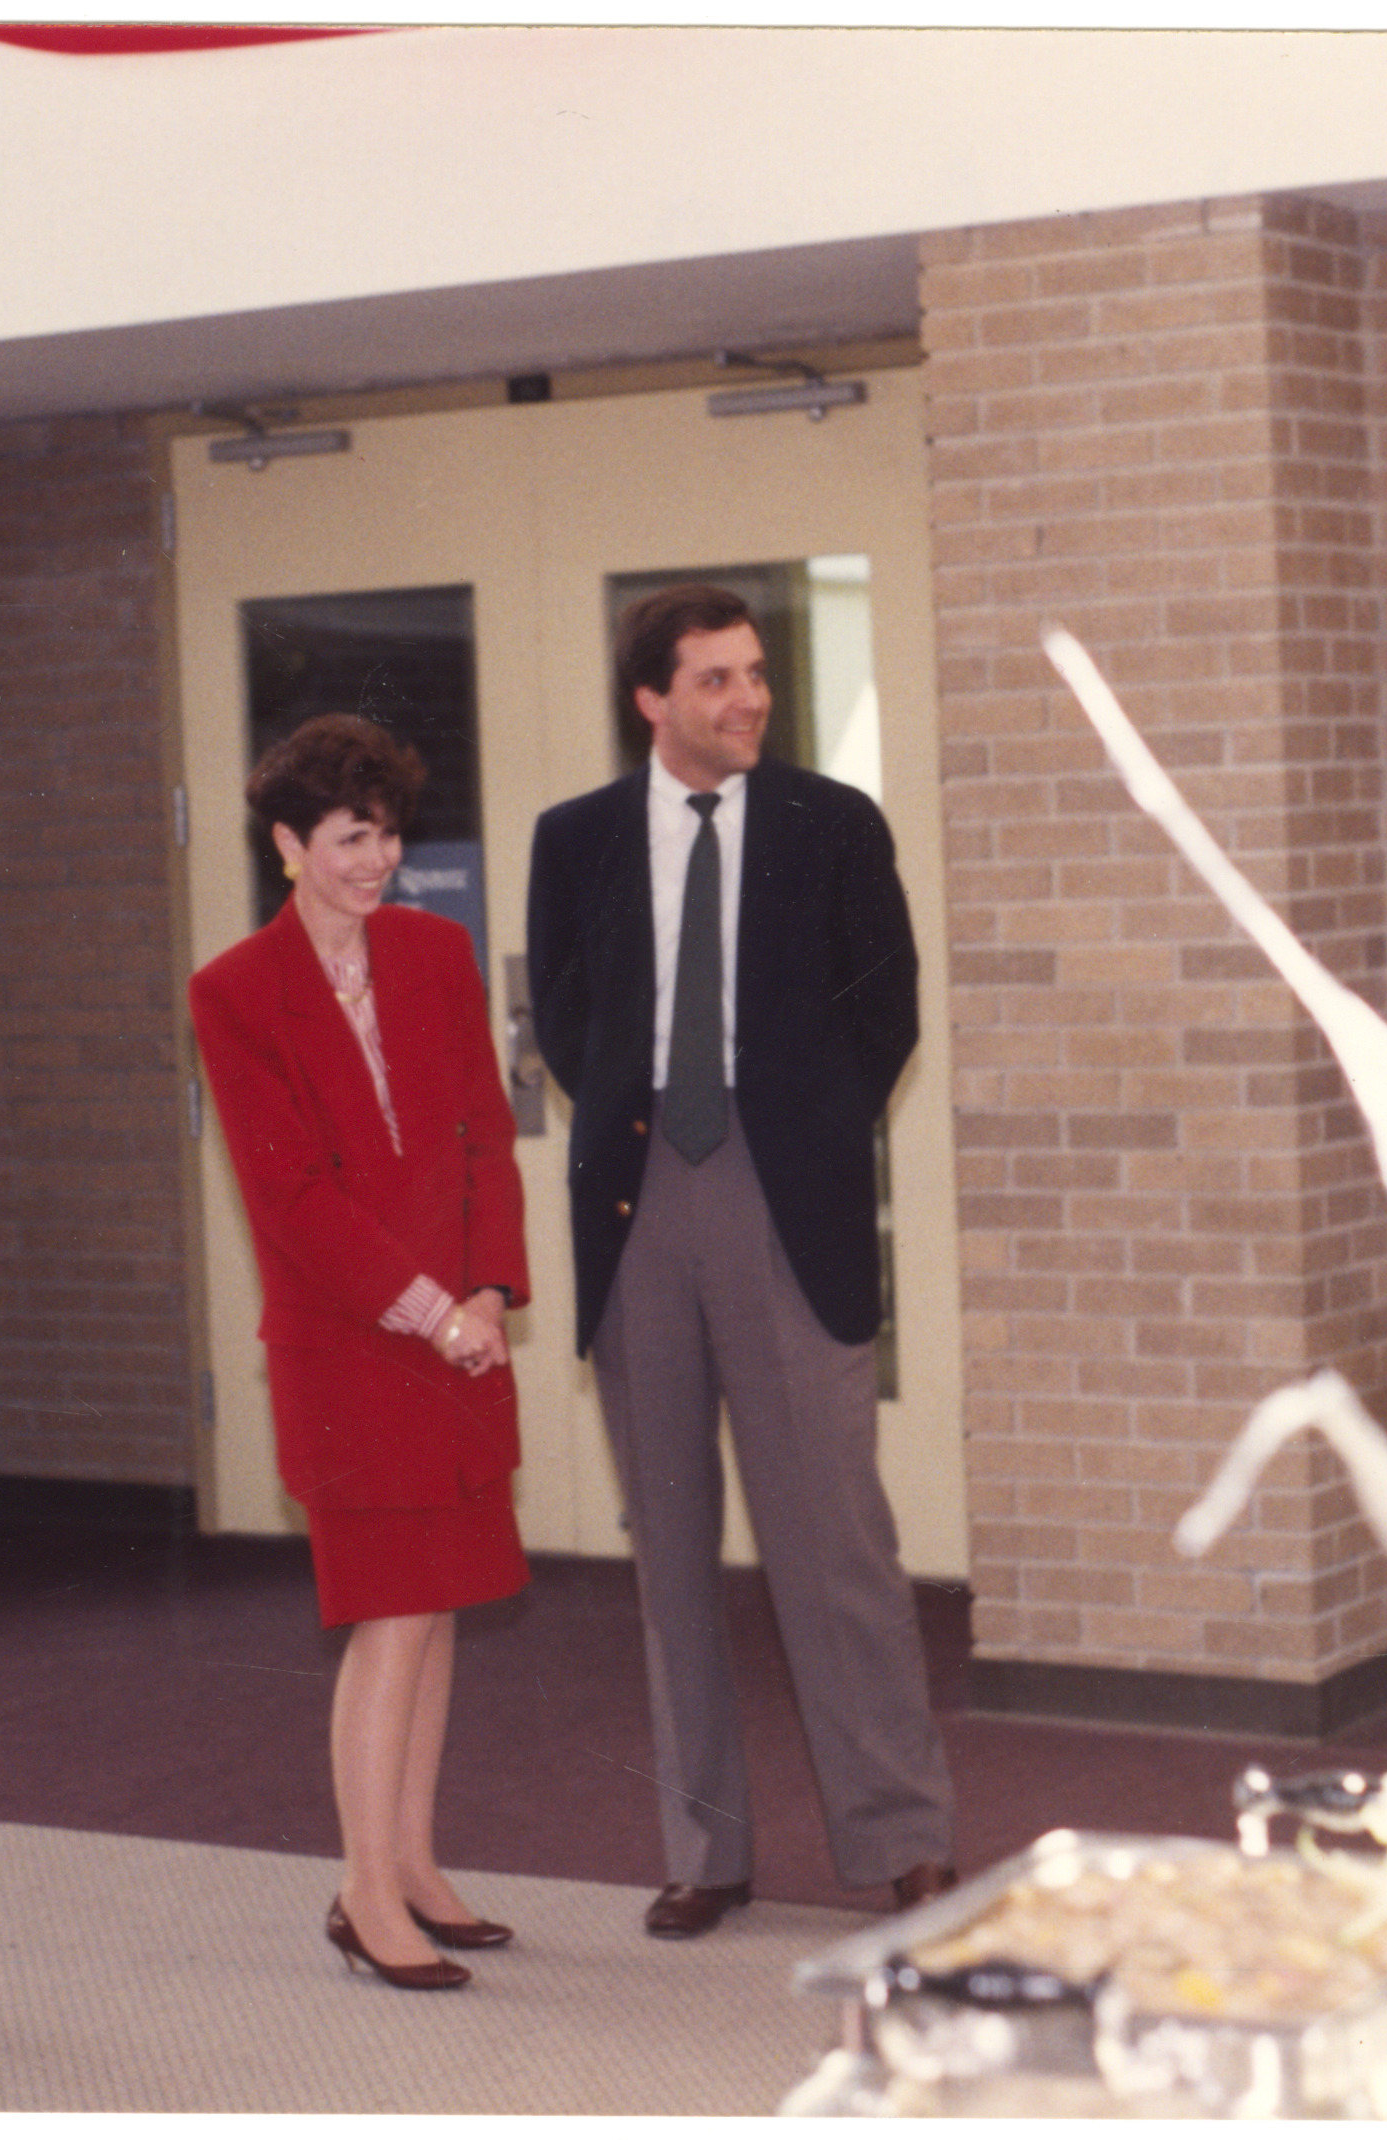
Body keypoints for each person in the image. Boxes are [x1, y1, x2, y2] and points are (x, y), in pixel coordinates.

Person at [525, 583, 957, 1936]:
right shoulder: (576, 838)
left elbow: (881, 1007)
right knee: (667, 1553)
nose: (745, 699)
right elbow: (567, 1017)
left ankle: (898, 1837)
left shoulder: (832, 827)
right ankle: (701, 1854)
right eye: (712, 680)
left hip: (783, 1206)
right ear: (649, 700)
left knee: (834, 1545)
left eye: (754, 673)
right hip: (637, 1207)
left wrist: (803, 1128)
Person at [188, 714, 530, 1993]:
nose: (376, 860)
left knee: (434, 1608)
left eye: (387, 834)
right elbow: (292, 1196)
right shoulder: (232, 990)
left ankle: (418, 1863)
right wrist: (431, 1309)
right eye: (348, 838)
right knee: (388, 1616)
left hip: (461, 1330)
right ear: (287, 844)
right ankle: (363, 1890)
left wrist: (488, 1288)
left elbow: (484, 1136)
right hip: (353, 1342)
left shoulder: (438, 954)